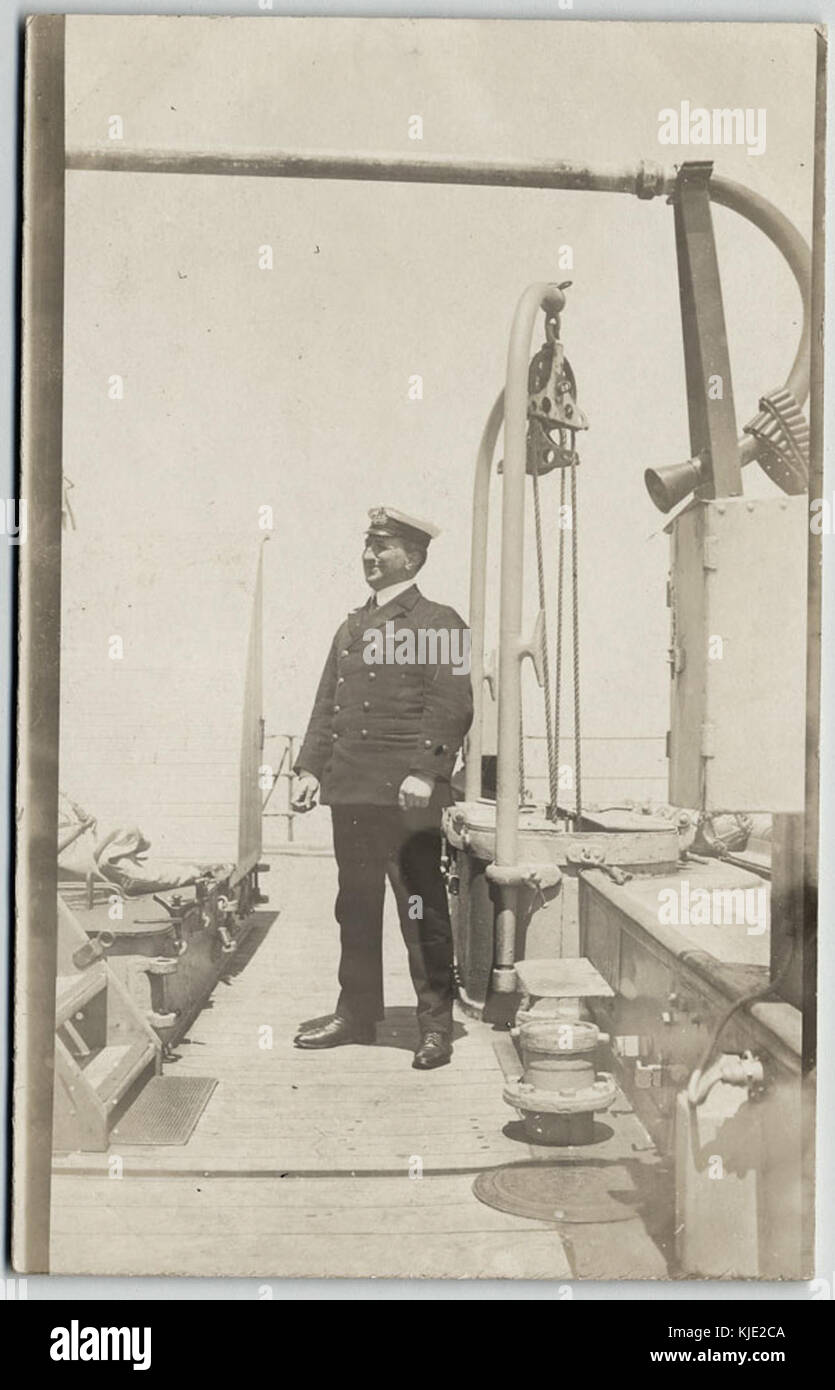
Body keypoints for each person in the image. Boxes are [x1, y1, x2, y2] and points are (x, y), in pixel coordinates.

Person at [291, 507, 473, 1069]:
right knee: (356, 907)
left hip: (407, 797)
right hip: (351, 793)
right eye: (368, 546)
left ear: (413, 558)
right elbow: (328, 705)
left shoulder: (439, 623)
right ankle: (357, 1013)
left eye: (383, 548)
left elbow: (452, 705)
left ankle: (435, 1025)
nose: (370, 556)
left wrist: (426, 771)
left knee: (420, 908)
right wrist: (309, 768)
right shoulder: (351, 628)